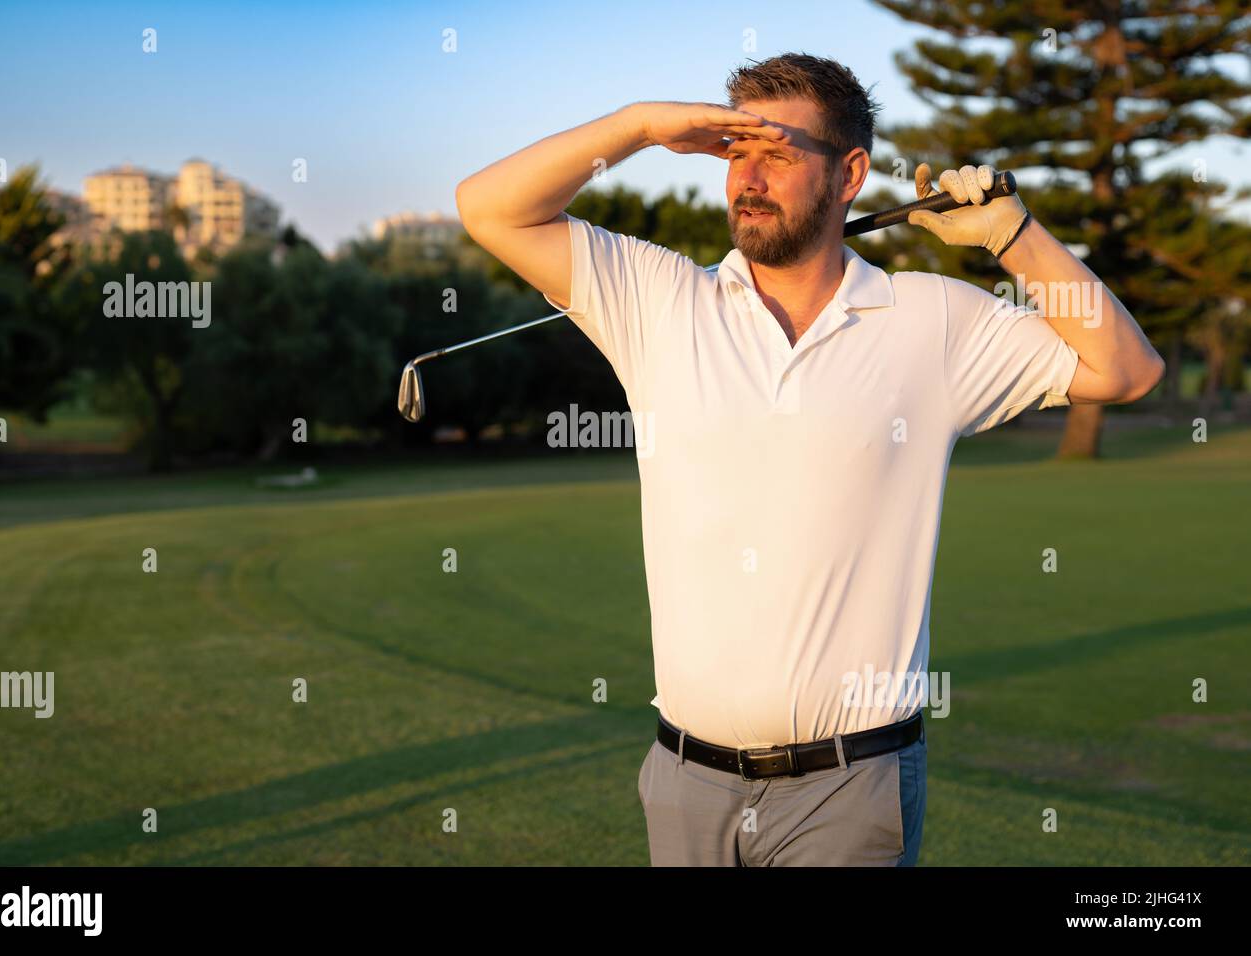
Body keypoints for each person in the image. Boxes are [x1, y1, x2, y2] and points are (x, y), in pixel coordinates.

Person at [455, 52, 1164, 866]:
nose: (748, 179)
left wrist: (1015, 236)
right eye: (735, 154)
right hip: (684, 782)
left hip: (850, 788)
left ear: (850, 172)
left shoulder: (928, 320)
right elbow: (489, 208)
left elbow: (1127, 370)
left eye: (780, 155)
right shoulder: (657, 299)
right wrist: (643, 126)